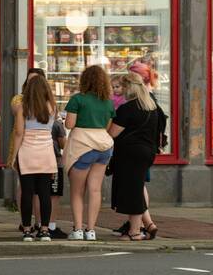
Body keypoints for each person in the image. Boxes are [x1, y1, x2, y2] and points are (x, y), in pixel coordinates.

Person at [108, 72, 165, 241]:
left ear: (127, 88)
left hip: (129, 154)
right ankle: (147, 225)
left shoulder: (127, 108)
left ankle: (134, 231)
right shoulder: (151, 107)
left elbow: (112, 133)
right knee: (136, 190)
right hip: (147, 153)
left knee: (132, 192)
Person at [64, 65, 116, 241]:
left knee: (77, 192)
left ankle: (78, 229)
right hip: (104, 148)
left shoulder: (78, 99)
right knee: (95, 190)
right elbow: (107, 127)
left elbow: (69, 125)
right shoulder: (108, 102)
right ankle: (91, 230)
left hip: (82, 147)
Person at [8, 72, 58, 240]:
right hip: (46, 152)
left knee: (27, 193)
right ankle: (44, 229)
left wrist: (13, 156)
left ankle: (27, 229)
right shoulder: (52, 106)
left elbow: (19, 133)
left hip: (27, 152)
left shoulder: (24, 107)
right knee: (45, 193)